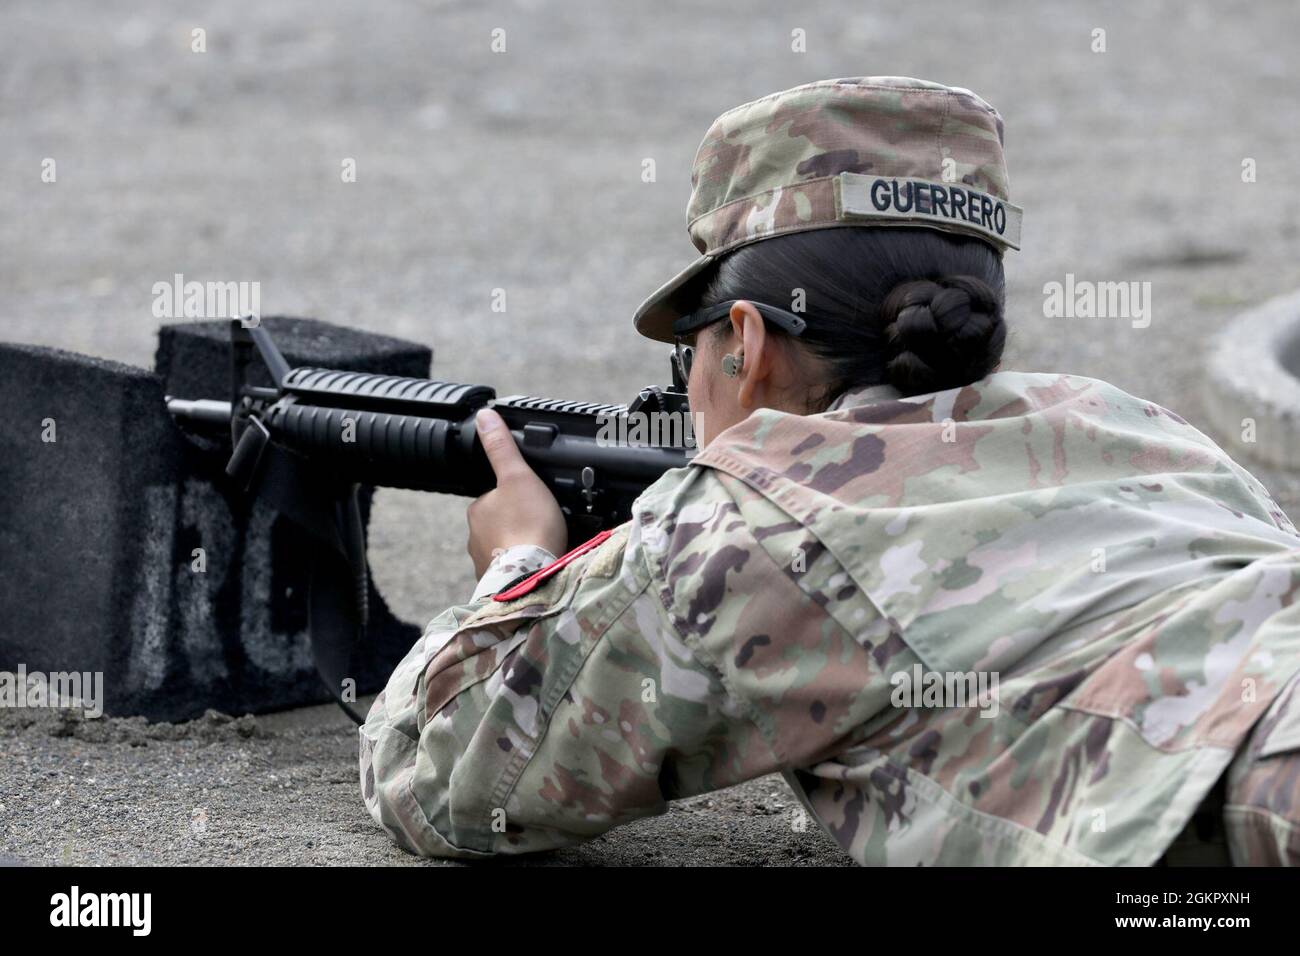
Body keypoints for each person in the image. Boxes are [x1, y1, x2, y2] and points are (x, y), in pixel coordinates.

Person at [359, 77, 1300, 865]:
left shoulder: (755, 527)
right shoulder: (1145, 429)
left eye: (691, 345)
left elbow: (440, 781)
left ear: (746, 342)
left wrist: (516, 565)